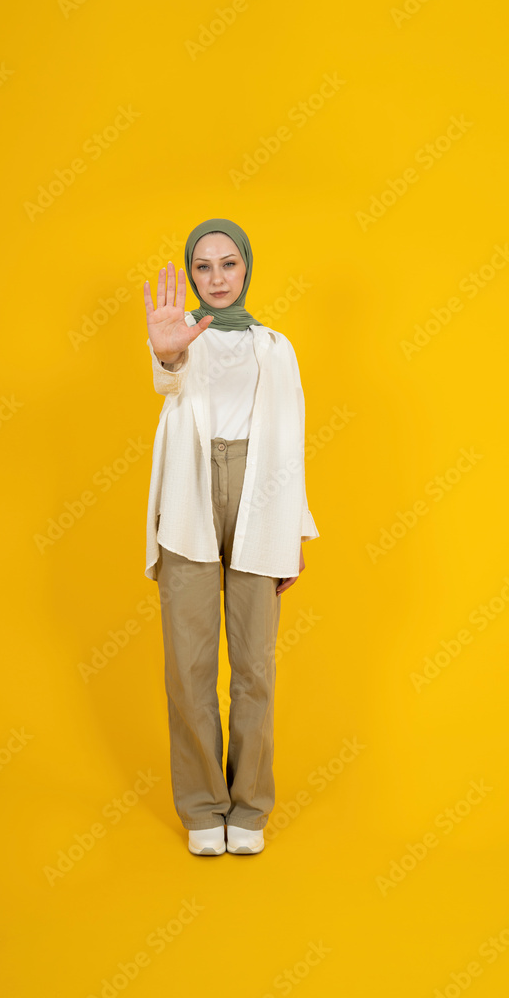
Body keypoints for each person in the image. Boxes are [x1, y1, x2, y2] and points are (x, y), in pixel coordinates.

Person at [142, 218, 319, 856]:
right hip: (189, 497)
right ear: (191, 274)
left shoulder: (276, 347)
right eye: (203, 267)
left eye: (228, 265)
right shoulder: (179, 336)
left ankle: (248, 810)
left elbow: (290, 443)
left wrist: (294, 530)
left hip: (260, 497)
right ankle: (200, 807)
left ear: (246, 268)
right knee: (188, 663)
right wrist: (167, 352)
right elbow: (169, 380)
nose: (216, 278)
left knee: (253, 666)